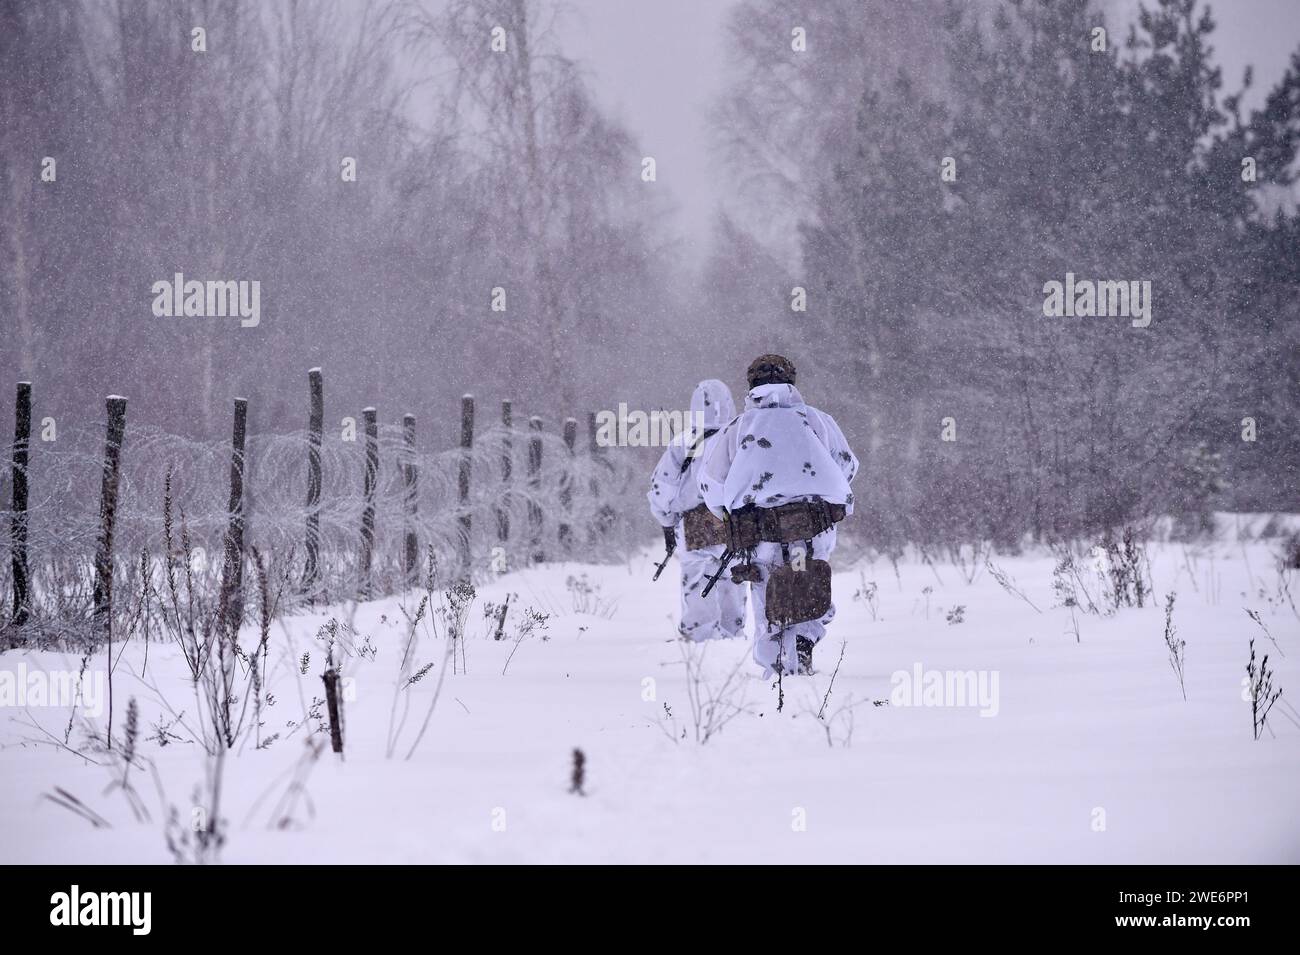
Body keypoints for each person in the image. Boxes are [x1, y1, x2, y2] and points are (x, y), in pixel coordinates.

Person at [700, 355, 858, 675]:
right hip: (812, 528)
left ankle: (780, 666)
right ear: (792, 381)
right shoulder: (817, 420)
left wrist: (727, 515)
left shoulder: (737, 428)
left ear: (751, 384)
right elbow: (846, 466)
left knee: (768, 595)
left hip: (761, 532)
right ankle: (803, 641)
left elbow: (712, 483)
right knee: (806, 580)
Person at [647, 379, 748, 641]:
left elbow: (662, 487)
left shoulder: (684, 443)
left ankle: (700, 633)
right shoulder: (740, 440)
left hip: (696, 521)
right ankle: (732, 632)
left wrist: (666, 520)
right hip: (734, 521)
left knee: (697, 578)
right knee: (733, 577)